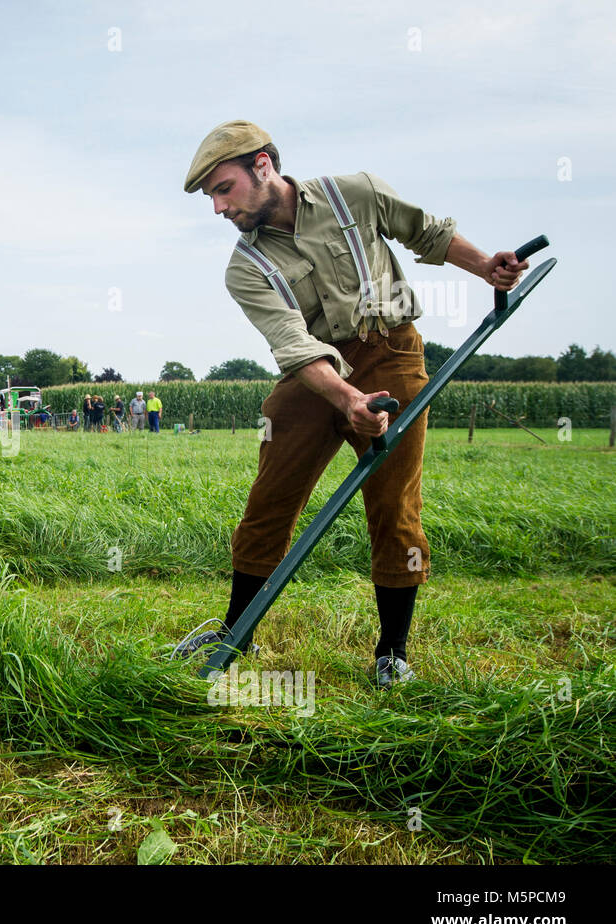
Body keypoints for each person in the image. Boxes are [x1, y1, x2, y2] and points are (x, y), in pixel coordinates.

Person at [176, 120, 529, 687]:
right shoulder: (245, 268)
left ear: (262, 165)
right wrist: (348, 400)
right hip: (315, 375)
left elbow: (427, 233)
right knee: (269, 502)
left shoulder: (354, 193)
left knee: (394, 506)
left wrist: (487, 266)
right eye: (211, 196)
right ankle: (233, 634)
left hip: (392, 353)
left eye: (223, 189)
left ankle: (392, 653)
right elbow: (294, 344)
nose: (218, 207)